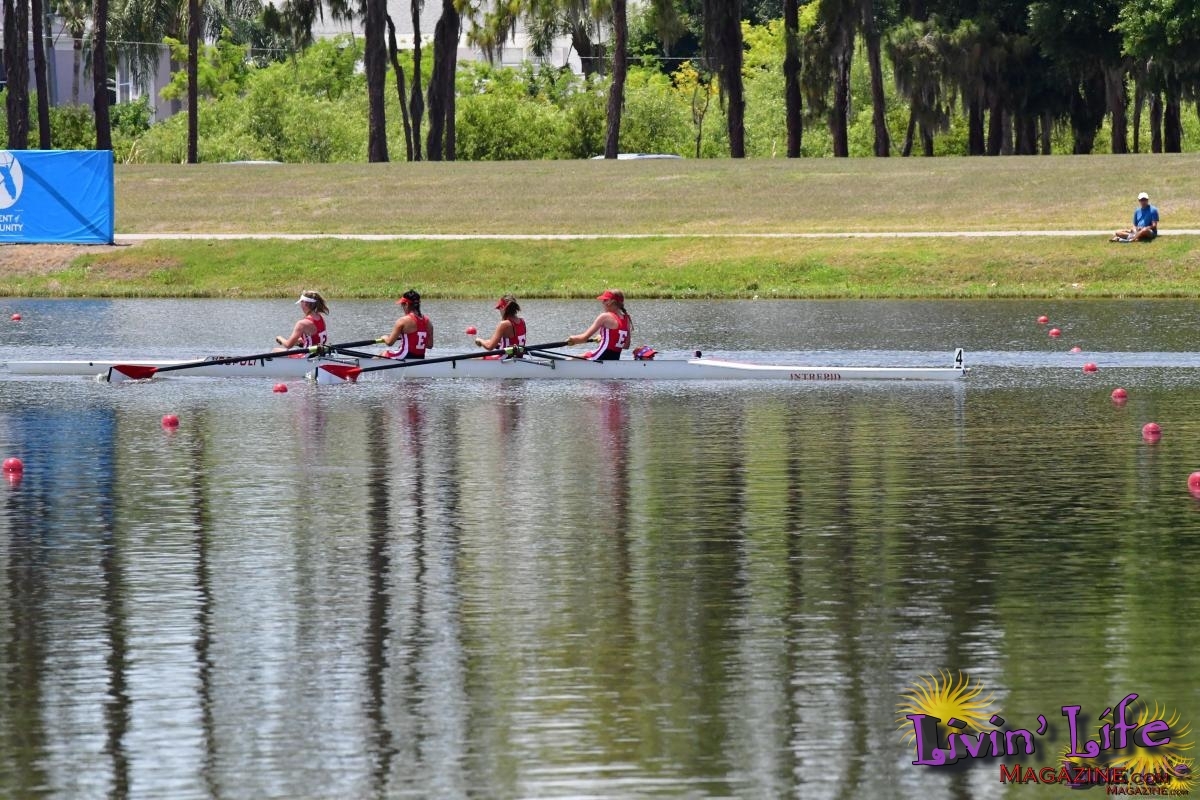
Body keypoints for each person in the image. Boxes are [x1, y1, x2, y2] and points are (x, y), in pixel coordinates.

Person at [565, 290, 632, 361]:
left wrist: (572, 339)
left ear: (611, 302)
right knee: (579, 356)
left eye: (605, 300)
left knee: (568, 360)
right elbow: (626, 345)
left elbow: (584, 338)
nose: (602, 302)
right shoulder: (627, 319)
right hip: (614, 359)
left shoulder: (605, 316)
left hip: (599, 357)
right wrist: (604, 338)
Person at [379, 289, 433, 359]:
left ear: (406, 304)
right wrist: (413, 341)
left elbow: (390, 342)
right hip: (420, 358)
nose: (402, 308)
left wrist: (384, 337)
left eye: (402, 305)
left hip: (404, 356)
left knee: (383, 354)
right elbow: (430, 345)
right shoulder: (428, 322)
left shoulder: (402, 321)